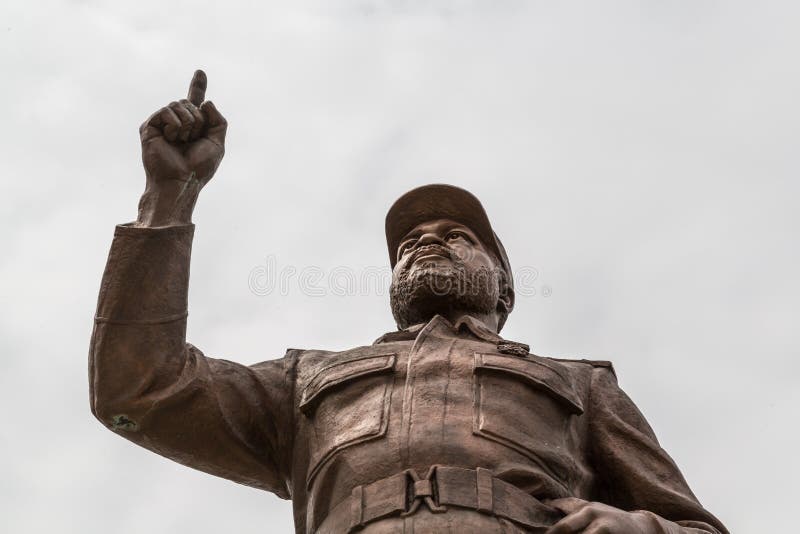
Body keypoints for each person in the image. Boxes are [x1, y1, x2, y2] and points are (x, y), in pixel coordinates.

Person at [89, 71, 728, 534]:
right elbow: (138, 389)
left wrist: (641, 529)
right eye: (408, 245)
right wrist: (168, 197)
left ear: (504, 286)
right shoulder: (304, 381)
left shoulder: (581, 385)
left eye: (457, 237)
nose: (426, 245)